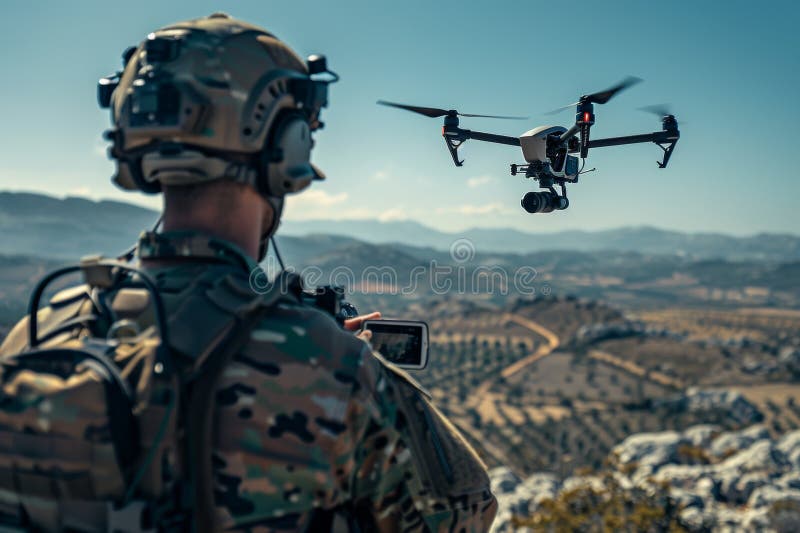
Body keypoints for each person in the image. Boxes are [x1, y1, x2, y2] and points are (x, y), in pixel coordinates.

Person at [0, 13, 497, 531]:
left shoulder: (36, 335)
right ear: (287, 145)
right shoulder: (337, 372)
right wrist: (349, 360)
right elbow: (470, 513)